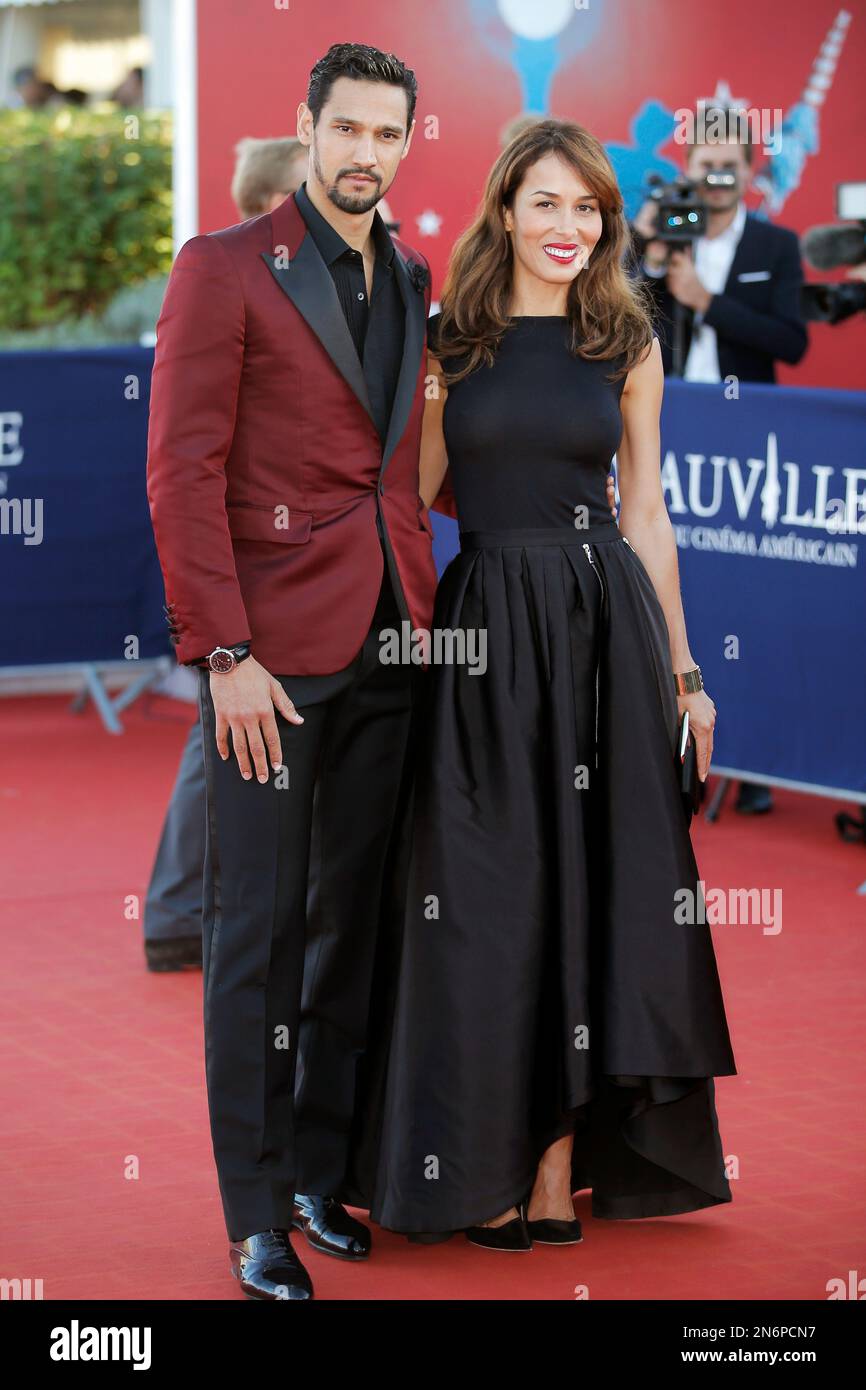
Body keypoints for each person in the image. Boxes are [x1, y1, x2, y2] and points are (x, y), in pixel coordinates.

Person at [368, 119, 737, 1247]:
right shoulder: (450, 341)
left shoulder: (626, 337)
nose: (568, 226)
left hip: (598, 629)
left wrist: (682, 671)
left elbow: (646, 513)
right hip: (482, 636)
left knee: (591, 889)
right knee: (482, 902)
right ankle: (473, 1149)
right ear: (505, 213)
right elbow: (414, 495)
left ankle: (551, 1165)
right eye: (546, 203)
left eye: (587, 208)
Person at [146, 42, 436, 1301]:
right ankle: (255, 1211)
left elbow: (399, 470)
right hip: (265, 658)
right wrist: (223, 653)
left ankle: (320, 1172)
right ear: (308, 127)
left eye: (390, 134)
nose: (368, 152)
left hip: (388, 643)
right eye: (350, 128)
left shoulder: (414, 276)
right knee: (254, 931)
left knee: (351, 924)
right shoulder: (222, 269)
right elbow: (181, 471)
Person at [633, 104, 807, 814]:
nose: (718, 178)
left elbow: (790, 341)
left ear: (750, 170)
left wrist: (711, 302)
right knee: (673, 587)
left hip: (742, 445)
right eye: (706, 167)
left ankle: (755, 759)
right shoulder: (671, 225)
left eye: (731, 167)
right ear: (690, 168)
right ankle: (658, 749)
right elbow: (627, 306)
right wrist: (643, 250)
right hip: (665, 429)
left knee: (750, 591)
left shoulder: (775, 245)